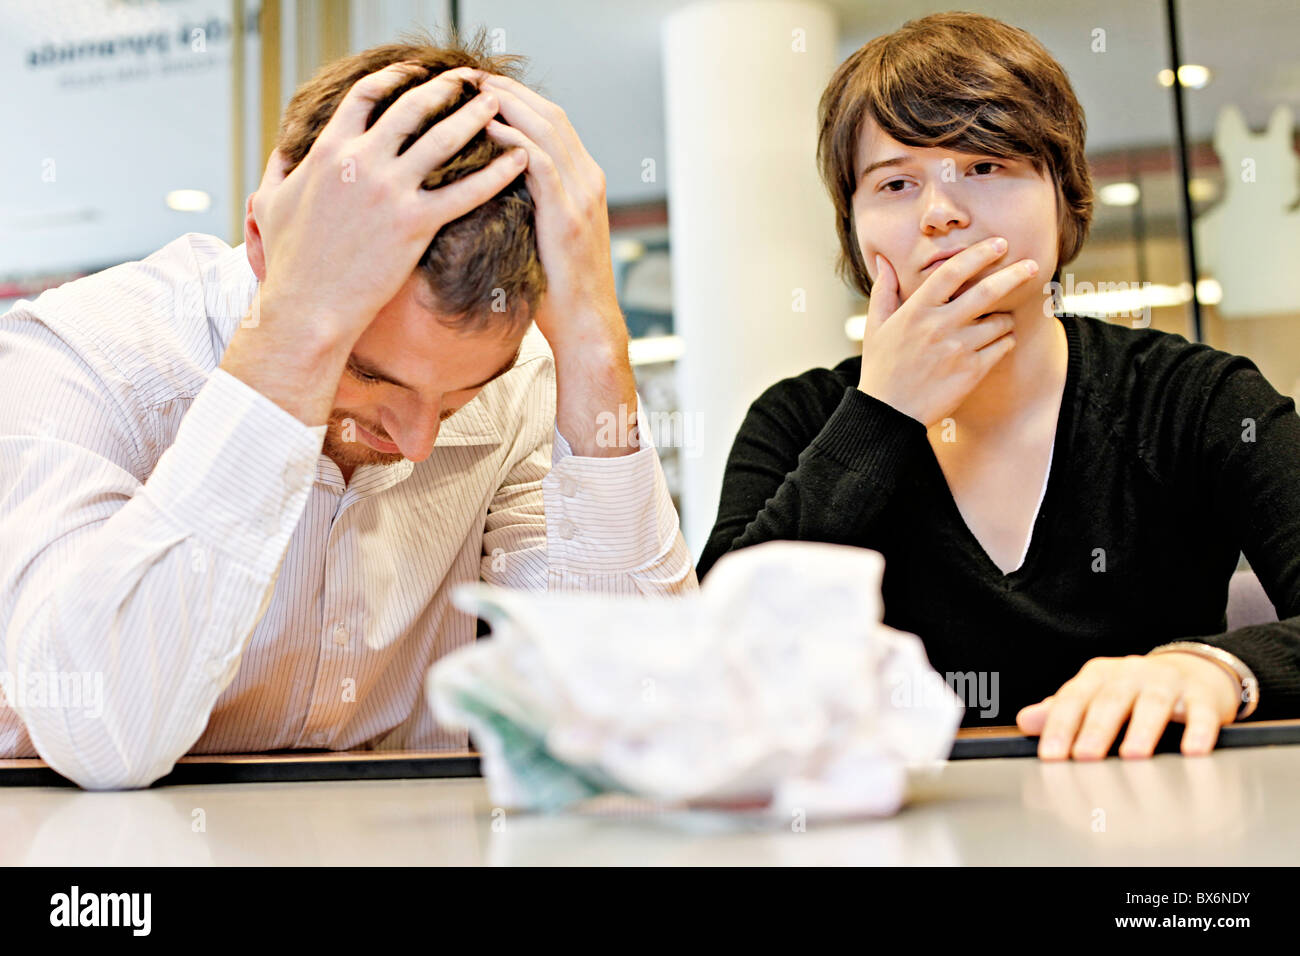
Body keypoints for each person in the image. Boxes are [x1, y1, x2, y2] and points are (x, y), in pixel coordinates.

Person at [0, 34, 696, 790]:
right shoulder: (79, 356)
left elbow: (644, 718)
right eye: (368, 373)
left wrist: (596, 345)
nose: (419, 439)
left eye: (459, 398)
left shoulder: (517, 380)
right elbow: (101, 732)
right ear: (264, 246)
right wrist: (291, 339)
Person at [697, 12, 1300, 760]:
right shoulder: (799, 419)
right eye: (895, 182)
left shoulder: (1195, 399)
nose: (941, 214)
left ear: (1065, 195)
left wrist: (1220, 668)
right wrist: (885, 412)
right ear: (854, 227)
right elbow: (716, 667)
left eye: (984, 167)